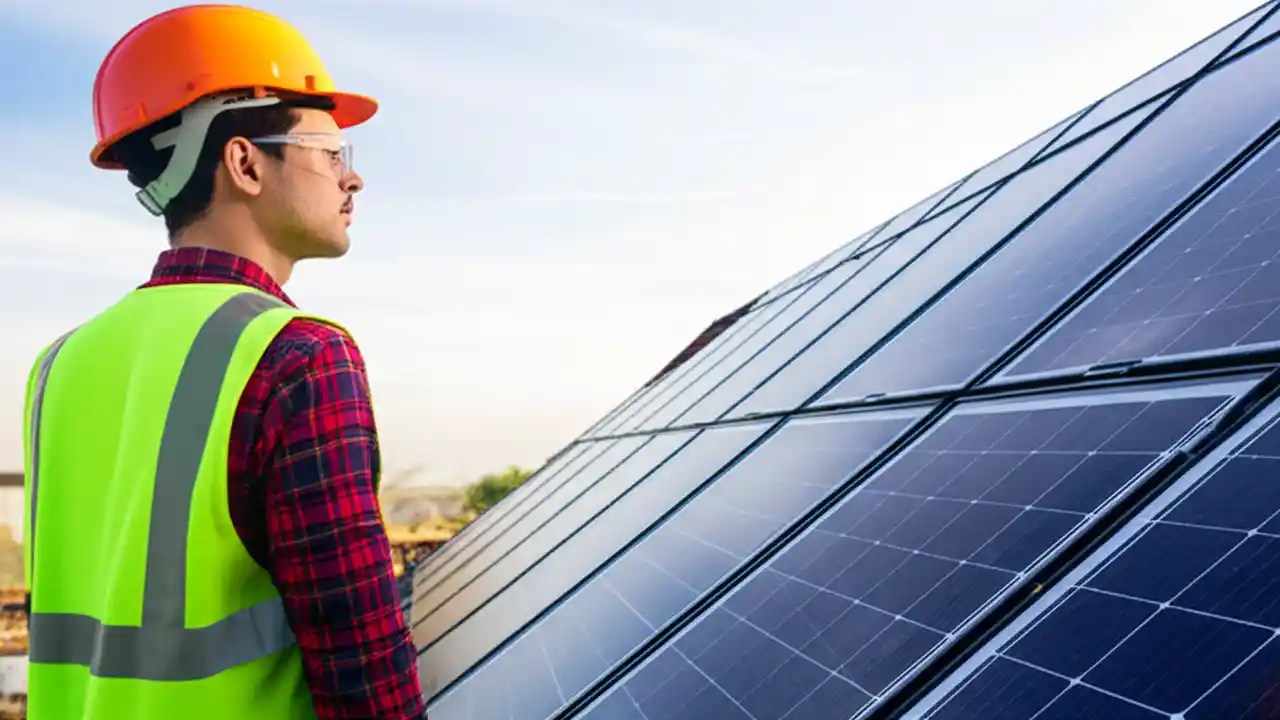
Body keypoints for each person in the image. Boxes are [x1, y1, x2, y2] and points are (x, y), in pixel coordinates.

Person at [21, 5, 426, 718]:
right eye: (332, 153)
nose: (352, 180)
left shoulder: (57, 366)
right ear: (244, 161)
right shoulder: (297, 358)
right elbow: (362, 671)